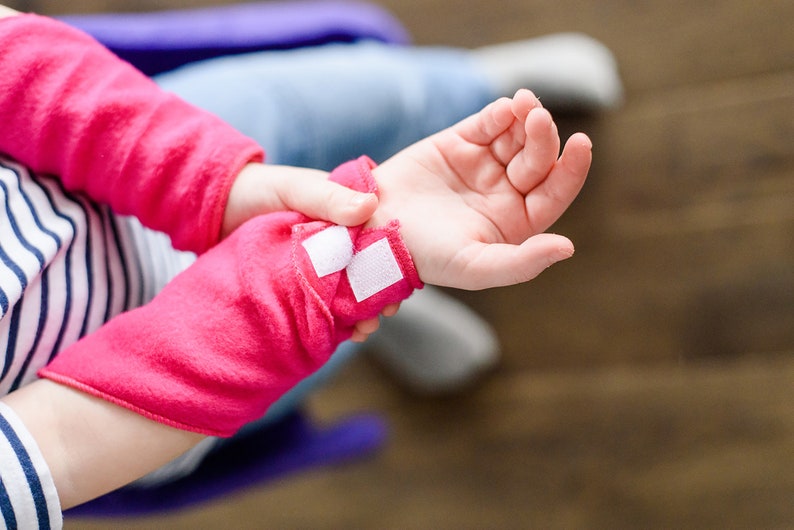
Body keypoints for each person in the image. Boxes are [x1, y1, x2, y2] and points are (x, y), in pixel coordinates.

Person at [0, 6, 594, 528]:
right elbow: (63, 444)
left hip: (154, 148)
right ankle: (396, 282)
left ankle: (475, 86)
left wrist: (225, 184)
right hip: (162, 392)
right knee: (335, 327)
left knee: (373, 94)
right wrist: (342, 270)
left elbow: (13, 58)